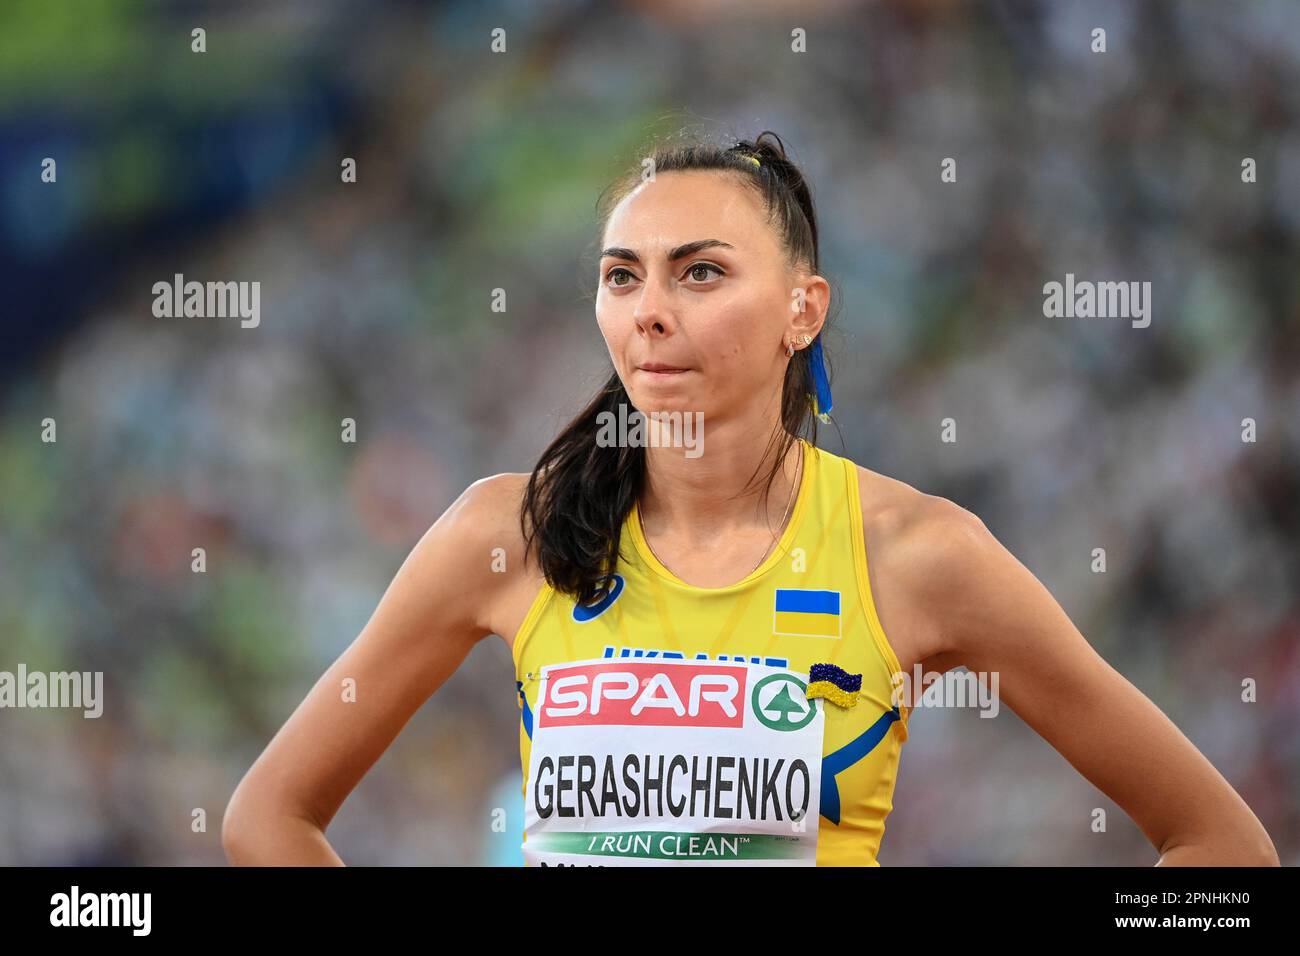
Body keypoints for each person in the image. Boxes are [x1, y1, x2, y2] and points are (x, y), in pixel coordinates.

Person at [222, 131, 1279, 867]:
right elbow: (268, 815)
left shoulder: (916, 555)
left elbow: (1220, 844)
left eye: (699, 272)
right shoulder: (511, 534)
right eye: (622, 275)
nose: (649, 312)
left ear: (802, 308)